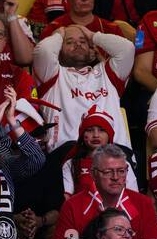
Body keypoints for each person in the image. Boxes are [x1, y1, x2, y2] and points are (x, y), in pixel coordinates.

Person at [33, 26, 136, 155]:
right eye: (69, 42)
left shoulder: (107, 73)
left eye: (83, 41)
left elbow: (127, 49)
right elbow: (44, 51)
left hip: (115, 155)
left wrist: (93, 35)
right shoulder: (51, 74)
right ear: (58, 50)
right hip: (68, 155)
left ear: (91, 49)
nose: (77, 44)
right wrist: (58, 35)